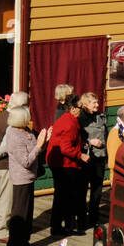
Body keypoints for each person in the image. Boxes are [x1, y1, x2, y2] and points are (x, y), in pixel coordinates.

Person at [0, 91, 28, 244]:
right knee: (6, 200)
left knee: (1, 197)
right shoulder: (11, 121)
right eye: (26, 105)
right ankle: (2, 231)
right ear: (21, 106)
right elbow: (5, 146)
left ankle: (0, 227)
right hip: (7, 164)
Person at [3, 107, 47, 246]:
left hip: (29, 177)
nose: (30, 118)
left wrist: (44, 139)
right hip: (21, 178)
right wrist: (39, 145)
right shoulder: (14, 135)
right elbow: (26, 161)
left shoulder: (25, 130)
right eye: (27, 116)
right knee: (20, 214)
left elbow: (34, 147)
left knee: (27, 213)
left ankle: (24, 243)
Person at [47, 93, 87, 235]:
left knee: (62, 195)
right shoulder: (70, 123)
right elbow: (65, 148)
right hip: (63, 164)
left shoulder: (66, 119)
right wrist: (80, 155)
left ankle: (60, 226)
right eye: (80, 107)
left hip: (58, 162)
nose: (82, 110)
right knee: (63, 195)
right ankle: (60, 227)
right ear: (72, 109)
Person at [77, 92, 107, 230]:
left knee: (97, 189)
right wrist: (90, 141)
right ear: (85, 104)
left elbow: (105, 135)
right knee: (82, 189)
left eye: (97, 102)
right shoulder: (80, 118)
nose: (97, 104)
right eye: (93, 102)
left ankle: (94, 217)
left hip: (100, 157)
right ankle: (81, 219)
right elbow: (76, 138)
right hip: (86, 158)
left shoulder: (101, 117)